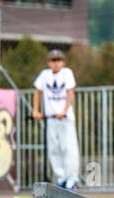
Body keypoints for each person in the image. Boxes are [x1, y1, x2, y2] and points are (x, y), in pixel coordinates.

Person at [31, 49, 80, 189]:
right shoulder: (44, 75)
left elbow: (70, 94)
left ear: (63, 62)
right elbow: (37, 92)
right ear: (48, 63)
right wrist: (36, 110)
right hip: (51, 119)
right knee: (54, 149)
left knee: (68, 148)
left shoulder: (67, 73)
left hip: (66, 119)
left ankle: (72, 178)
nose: (56, 63)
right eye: (53, 61)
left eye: (59, 60)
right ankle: (61, 177)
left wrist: (64, 111)